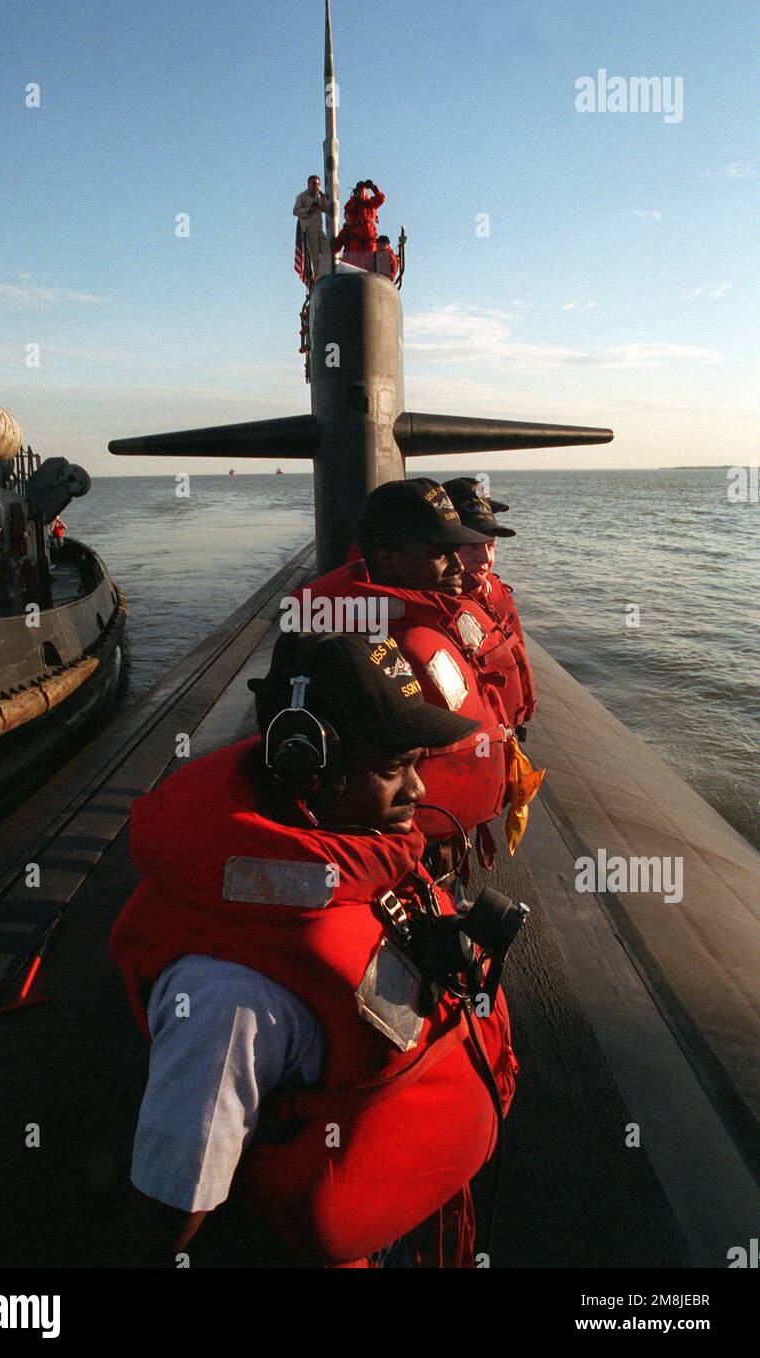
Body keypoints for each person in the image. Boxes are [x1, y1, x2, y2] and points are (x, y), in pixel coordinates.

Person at [110, 631, 518, 1268]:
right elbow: (170, 1204)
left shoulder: (348, 854)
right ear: (308, 767)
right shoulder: (227, 999)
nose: (417, 789)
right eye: (393, 767)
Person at [294, 479, 542, 871]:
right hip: (408, 850)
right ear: (388, 557)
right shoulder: (355, 653)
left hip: (448, 833)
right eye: (441, 553)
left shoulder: (434, 612)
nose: (458, 565)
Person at [443, 479, 535, 732]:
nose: (485, 559)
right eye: (471, 547)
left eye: (491, 546)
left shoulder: (488, 591)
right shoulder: (435, 612)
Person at [332, 179, 385, 271]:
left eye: (361, 191)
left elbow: (380, 199)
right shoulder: (352, 204)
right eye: (358, 191)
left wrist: (373, 188)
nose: (359, 193)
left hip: (369, 239)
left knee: (371, 256)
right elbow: (335, 247)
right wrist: (356, 199)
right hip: (355, 241)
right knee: (354, 256)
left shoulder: (370, 203)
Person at [293, 174, 329, 281]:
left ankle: (322, 274)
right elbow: (295, 211)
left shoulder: (319, 196)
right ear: (308, 184)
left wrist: (324, 199)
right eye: (313, 184)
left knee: (327, 250)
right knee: (315, 256)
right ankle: (317, 277)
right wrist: (308, 210)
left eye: (318, 184)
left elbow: (326, 209)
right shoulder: (302, 197)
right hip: (309, 228)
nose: (316, 186)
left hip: (318, 228)